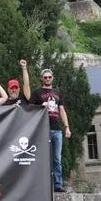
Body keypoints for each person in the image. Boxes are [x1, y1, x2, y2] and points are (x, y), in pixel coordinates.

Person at [29, 65, 70, 193]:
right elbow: (31, 109)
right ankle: (43, 183)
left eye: (49, 77)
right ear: (42, 78)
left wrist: (67, 127)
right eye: (45, 77)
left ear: (53, 78)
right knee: (43, 157)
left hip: (57, 129)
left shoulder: (57, 92)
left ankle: (58, 184)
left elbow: (61, 110)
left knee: (57, 158)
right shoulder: (37, 92)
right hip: (43, 129)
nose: (47, 79)